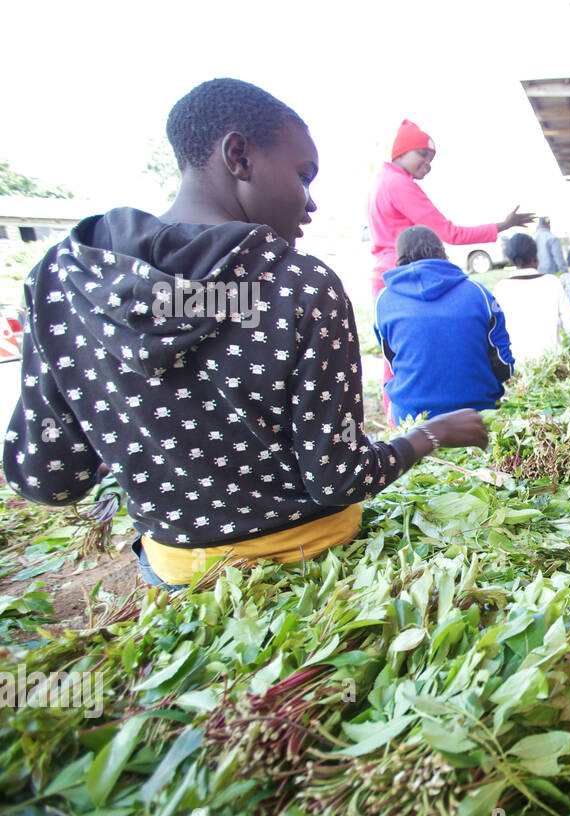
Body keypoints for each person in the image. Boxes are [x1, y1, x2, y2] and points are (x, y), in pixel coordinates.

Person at [2, 79, 486, 589]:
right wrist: (428, 435)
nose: (311, 204)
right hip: (316, 556)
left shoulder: (62, 280)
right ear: (239, 156)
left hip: (182, 573)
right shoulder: (302, 285)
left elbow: (50, 480)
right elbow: (339, 478)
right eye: (304, 175)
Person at [366, 119, 533, 299]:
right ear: (401, 153)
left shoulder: (380, 181)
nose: (427, 163)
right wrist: (504, 225)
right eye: (422, 154)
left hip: (385, 279)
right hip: (405, 278)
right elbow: (451, 234)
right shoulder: (399, 184)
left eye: (431, 159)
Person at [375, 226, 513, 424]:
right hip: (476, 417)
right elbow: (503, 366)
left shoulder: (383, 301)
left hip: (412, 424)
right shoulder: (478, 294)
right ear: (441, 252)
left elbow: (394, 361)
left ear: (400, 257)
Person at [491, 232, 570, 364]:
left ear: (510, 260)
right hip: (552, 367)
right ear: (536, 257)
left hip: (517, 369)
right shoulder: (552, 282)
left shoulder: (501, 288)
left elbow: (495, 335)